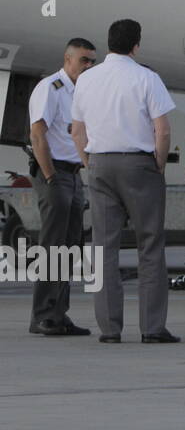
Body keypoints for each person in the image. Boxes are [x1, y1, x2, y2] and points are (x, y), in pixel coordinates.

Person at [70, 19, 176, 344]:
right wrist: (158, 163)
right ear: (136, 45)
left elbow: (77, 130)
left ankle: (110, 329)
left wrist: (90, 163)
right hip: (139, 165)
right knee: (150, 246)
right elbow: (163, 129)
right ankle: (152, 328)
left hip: (100, 165)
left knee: (103, 248)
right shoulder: (147, 77)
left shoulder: (87, 79)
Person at [27, 38, 97, 336]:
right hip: (54, 172)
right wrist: (50, 176)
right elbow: (38, 134)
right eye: (83, 60)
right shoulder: (50, 88)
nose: (88, 66)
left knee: (70, 247)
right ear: (67, 60)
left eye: (92, 61)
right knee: (53, 245)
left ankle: (58, 313)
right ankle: (43, 315)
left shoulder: (81, 91)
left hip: (73, 173)